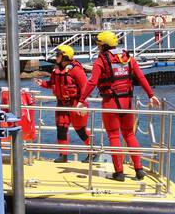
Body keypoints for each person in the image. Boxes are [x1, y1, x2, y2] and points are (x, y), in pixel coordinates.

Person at [80, 30, 162, 181]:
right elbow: (140, 76)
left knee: (113, 136)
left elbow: (92, 82)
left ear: (104, 46)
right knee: (129, 134)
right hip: (127, 103)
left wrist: (81, 99)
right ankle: (139, 169)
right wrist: (151, 95)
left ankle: (119, 173)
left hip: (110, 103)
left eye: (98, 45)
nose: (98, 48)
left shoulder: (101, 60)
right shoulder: (128, 58)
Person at [39, 44, 90, 161]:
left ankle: (92, 152)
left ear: (65, 57)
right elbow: (52, 83)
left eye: (58, 55)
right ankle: (63, 155)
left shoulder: (76, 70)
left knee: (80, 129)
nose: (56, 57)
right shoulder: (56, 70)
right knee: (61, 129)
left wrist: (82, 104)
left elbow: (85, 87)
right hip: (61, 103)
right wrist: (42, 83)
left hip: (75, 103)